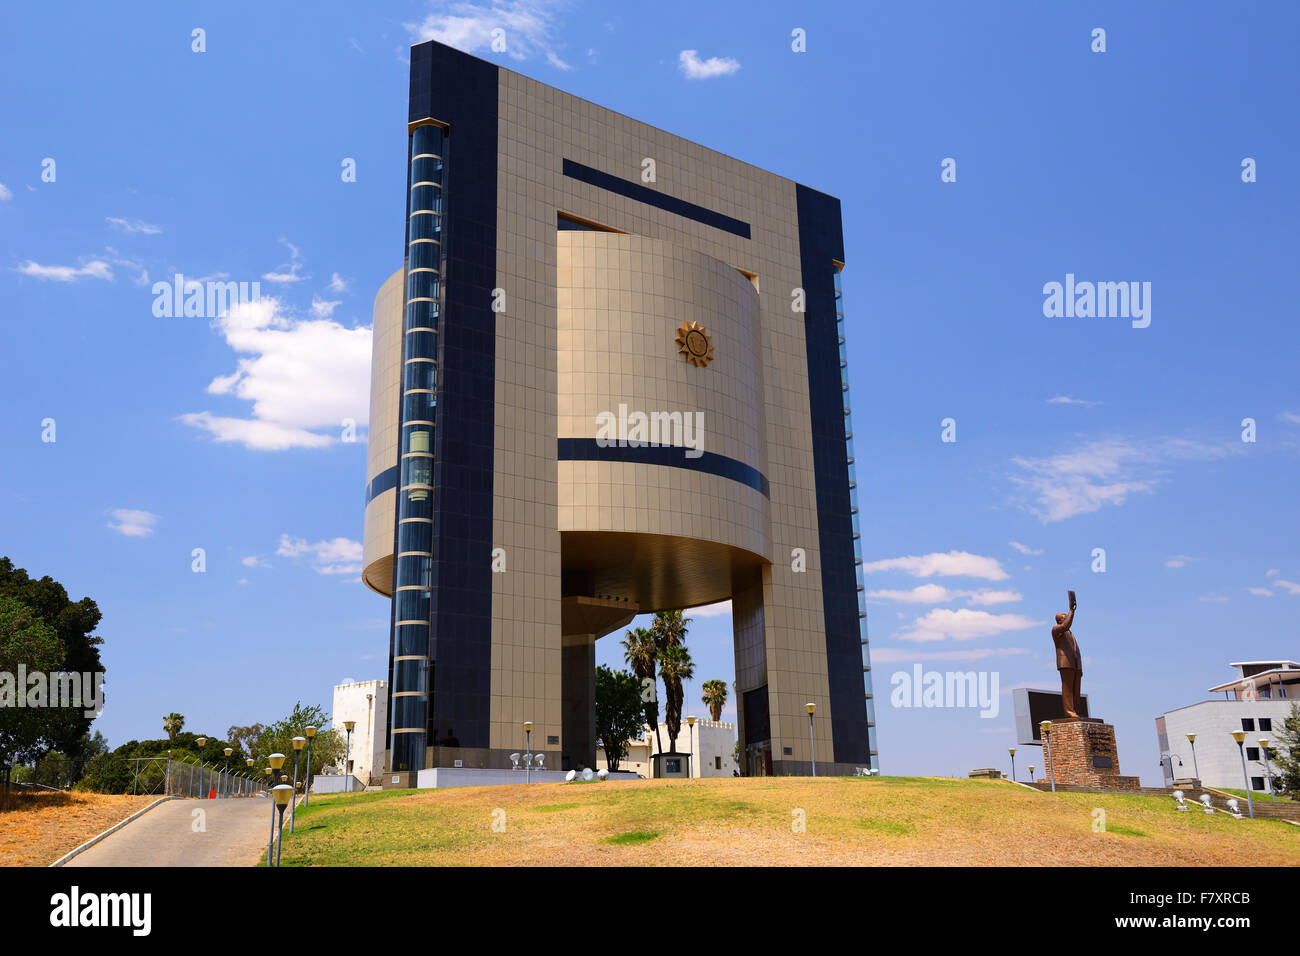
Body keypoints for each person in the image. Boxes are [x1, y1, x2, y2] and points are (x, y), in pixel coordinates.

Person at [1050, 592, 1082, 718]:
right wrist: (1072, 611)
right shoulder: (1056, 629)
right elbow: (1066, 625)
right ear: (1060, 620)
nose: (1067, 617)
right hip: (1065, 663)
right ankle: (1069, 711)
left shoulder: (1069, 633)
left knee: (1076, 688)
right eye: (1065, 617)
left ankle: (1077, 710)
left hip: (1075, 663)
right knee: (1068, 687)